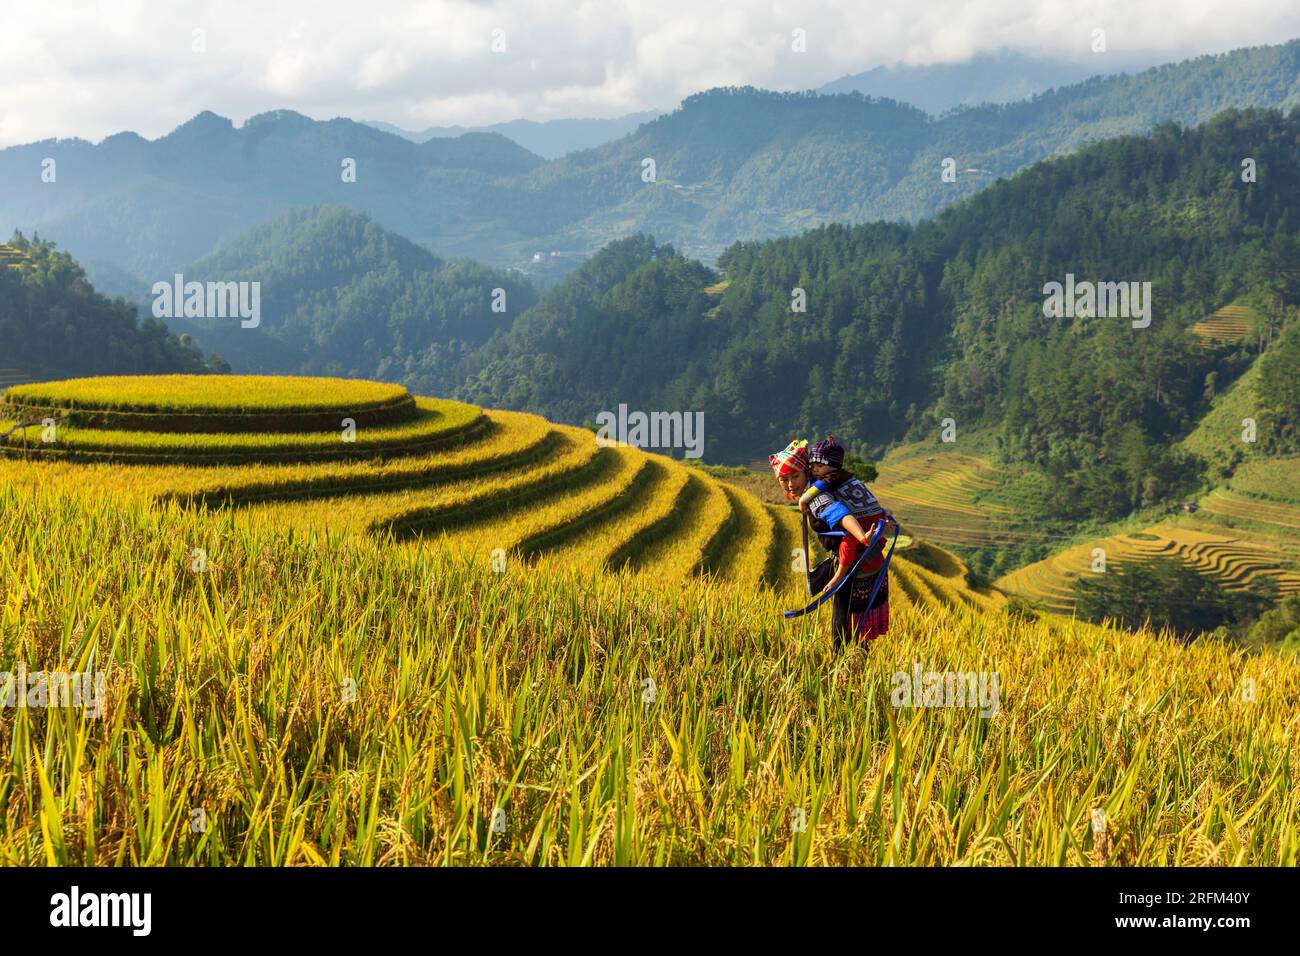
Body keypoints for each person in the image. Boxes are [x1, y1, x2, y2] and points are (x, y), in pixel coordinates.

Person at [770, 437, 892, 648]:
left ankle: (846, 671)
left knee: (842, 629)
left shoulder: (817, 498)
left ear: (807, 472)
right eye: (784, 479)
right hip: (865, 559)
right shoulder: (830, 484)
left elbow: (843, 521)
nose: (791, 485)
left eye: (796, 476)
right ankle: (855, 668)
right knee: (854, 628)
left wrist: (840, 573)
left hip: (854, 563)